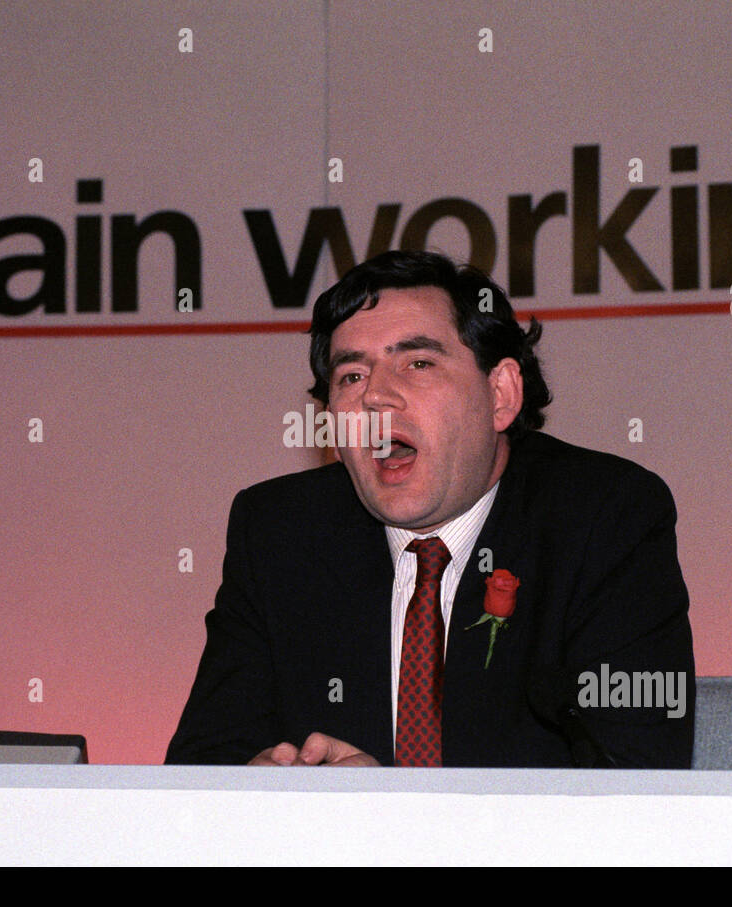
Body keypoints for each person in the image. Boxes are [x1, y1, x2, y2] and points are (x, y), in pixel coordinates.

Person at [166, 250, 695, 768]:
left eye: (418, 363)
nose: (375, 397)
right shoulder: (279, 532)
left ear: (501, 394)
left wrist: (394, 819)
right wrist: (266, 787)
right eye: (351, 375)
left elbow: (635, 781)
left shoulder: (606, 518)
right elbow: (201, 766)